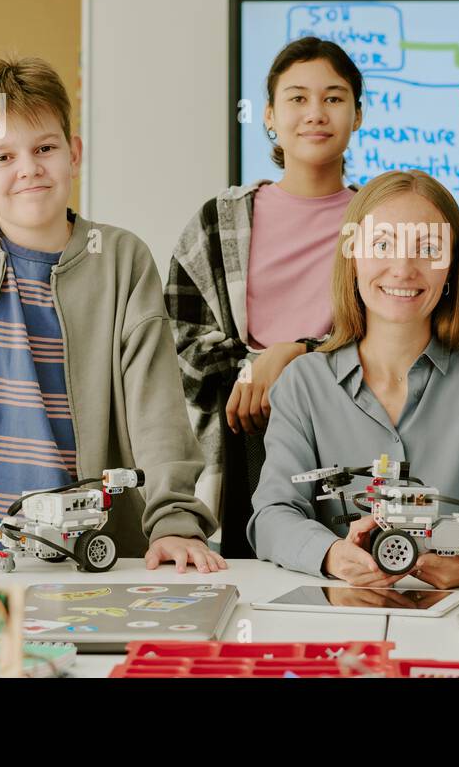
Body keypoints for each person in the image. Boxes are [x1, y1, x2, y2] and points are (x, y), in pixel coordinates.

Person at [0, 55, 220, 575]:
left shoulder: (122, 258)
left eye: (44, 148)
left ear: (73, 154)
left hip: (93, 551)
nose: (28, 168)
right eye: (2, 156)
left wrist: (172, 519)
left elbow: (156, 404)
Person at [248, 171, 459, 587]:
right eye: (383, 244)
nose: (403, 268)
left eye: (428, 248)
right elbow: (272, 515)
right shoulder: (303, 381)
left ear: (452, 267)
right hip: (339, 611)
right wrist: (332, 554)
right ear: (353, 258)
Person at [166, 37, 361, 557]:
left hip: (351, 433)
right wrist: (256, 371)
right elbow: (180, 342)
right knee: (250, 578)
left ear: (357, 115)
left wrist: (294, 355)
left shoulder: (380, 218)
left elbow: (399, 338)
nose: (315, 113)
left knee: (353, 572)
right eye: (297, 99)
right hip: (242, 433)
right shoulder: (218, 220)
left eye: (334, 98)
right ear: (270, 116)